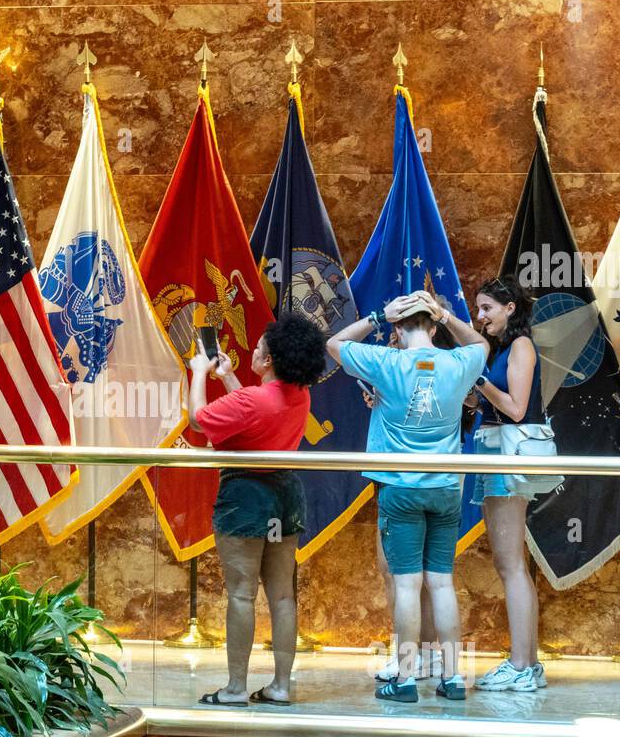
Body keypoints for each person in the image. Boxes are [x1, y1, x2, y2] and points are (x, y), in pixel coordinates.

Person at [330, 290, 488, 703]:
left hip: (400, 488)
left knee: (406, 585)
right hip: (446, 488)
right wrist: (448, 316)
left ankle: (404, 677)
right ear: (433, 326)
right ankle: (452, 679)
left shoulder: (387, 361)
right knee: (441, 582)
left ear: (398, 330)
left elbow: (335, 345)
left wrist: (379, 313)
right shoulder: (458, 362)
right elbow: (481, 344)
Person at [191, 312, 326, 707]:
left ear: (269, 361)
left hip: (246, 496)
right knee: (283, 596)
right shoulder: (300, 394)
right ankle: (281, 686)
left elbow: (198, 420)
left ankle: (235, 689)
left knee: (242, 594)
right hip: (285, 494)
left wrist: (200, 372)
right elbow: (258, 409)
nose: (254, 349)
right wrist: (228, 378)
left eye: (260, 348)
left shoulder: (253, 400)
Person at [452, 276, 553, 692]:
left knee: (510, 564)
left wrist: (477, 381)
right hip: (492, 452)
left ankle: (523, 664)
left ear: (510, 308)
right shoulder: (499, 349)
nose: (481, 317)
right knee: (508, 563)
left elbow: (514, 408)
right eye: (478, 310)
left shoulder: (522, 347)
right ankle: (525, 663)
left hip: (508, 455)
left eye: (487, 308)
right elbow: (485, 402)